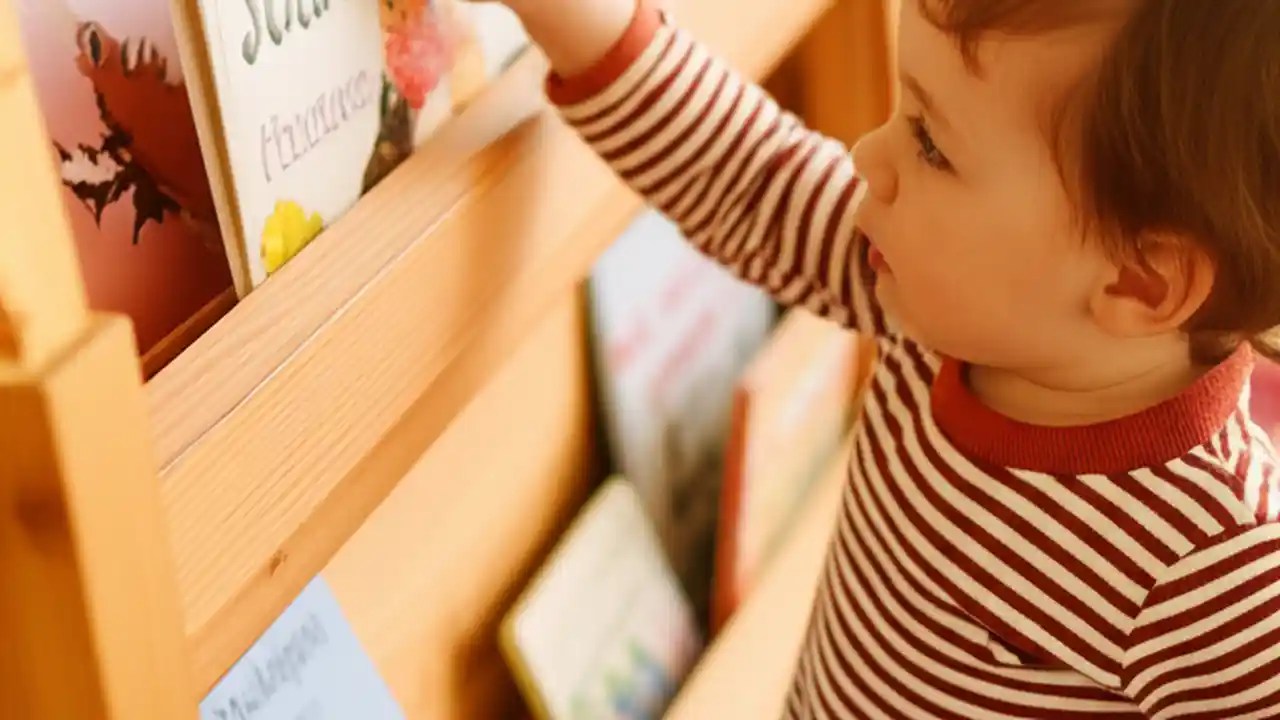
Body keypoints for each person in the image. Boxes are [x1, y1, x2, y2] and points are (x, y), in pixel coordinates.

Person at [483, 0, 1280, 716]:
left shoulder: (1218, 570)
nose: (869, 153)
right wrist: (582, 22)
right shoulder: (941, 304)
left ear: (1141, 280)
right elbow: (753, 182)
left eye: (932, 144)